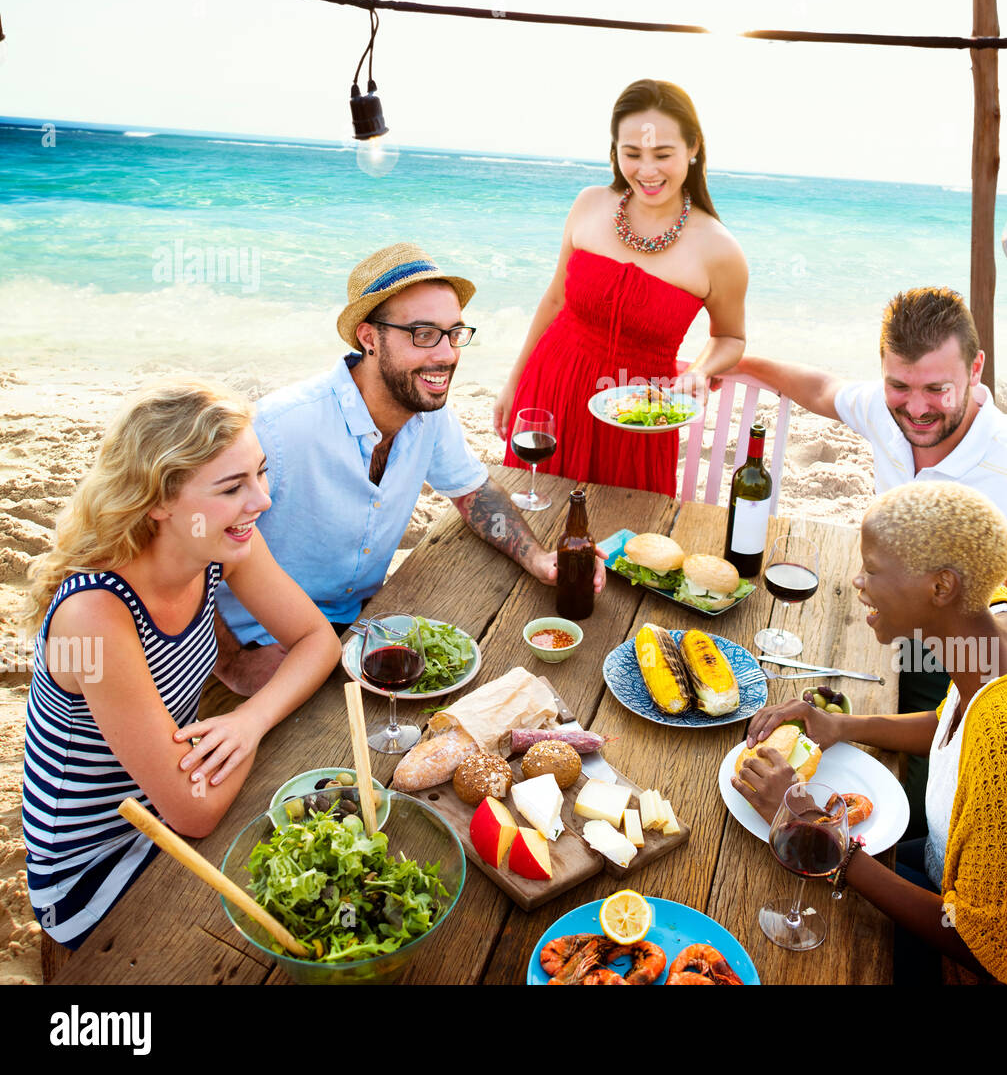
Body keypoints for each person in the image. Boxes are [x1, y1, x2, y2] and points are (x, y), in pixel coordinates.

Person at [734, 482, 1007, 986]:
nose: (858, 581)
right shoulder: (1001, 620)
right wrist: (841, 726)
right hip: (954, 874)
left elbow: (979, 942)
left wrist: (812, 829)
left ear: (941, 587)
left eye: (873, 570)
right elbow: (953, 725)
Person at [737, 286, 1007, 835]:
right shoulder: (892, 410)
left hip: (966, 659)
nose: (916, 407)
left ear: (976, 370)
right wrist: (736, 360)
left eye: (937, 389)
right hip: (911, 636)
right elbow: (822, 388)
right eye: (899, 386)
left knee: (880, 806)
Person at [21, 381, 339, 954]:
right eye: (232, 486)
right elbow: (194, 811)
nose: (261, 499)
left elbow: (318, 641)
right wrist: (249, 726)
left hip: (179, 780)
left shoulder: (221, 543)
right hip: (93, 864)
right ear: (160, 500)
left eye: (260, 473)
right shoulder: (91, 614)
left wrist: (249, 720)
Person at [214, 242, 604, 687]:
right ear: (368, 338)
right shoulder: (280, 428)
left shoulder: (429, 415)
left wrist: (539, 559)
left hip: (363, 629)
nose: (446, 354)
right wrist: (230, 663)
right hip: (264, 643)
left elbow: (474, 493)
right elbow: (187, 546)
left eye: (454, 333)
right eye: (423, 334)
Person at [494, 78, 748, 497]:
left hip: (638, 414)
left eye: (663, 154)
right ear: (615, 152)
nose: (647, 171)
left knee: (623, 549)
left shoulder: (720, 249)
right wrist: (513, 381)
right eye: (632, 154)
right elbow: (556, 298)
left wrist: (701, 370)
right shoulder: (589, 204)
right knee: (536, 522)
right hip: (552, 386)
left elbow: (730, 336)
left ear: (693, 147)